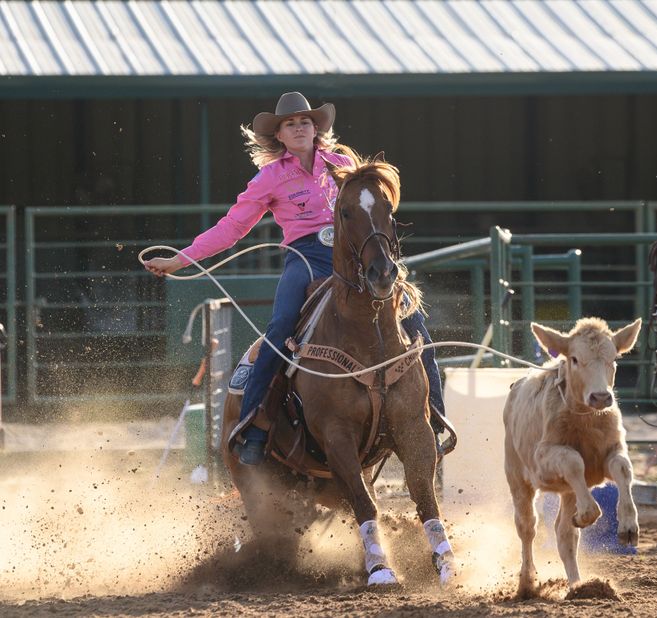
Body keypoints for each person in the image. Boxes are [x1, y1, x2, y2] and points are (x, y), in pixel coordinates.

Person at [144, 92, 446, 466]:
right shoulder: (270, 177)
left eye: (305, 121)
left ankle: (434, 417)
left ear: (316, 128)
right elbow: (233, 227)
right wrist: (181, 260)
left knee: (413, 321)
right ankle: (254, 424)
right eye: (290, 123)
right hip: (306, 257)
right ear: (279, 135)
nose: (299, 127)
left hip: (354, 257)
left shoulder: (343, 164)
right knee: (281, 326)